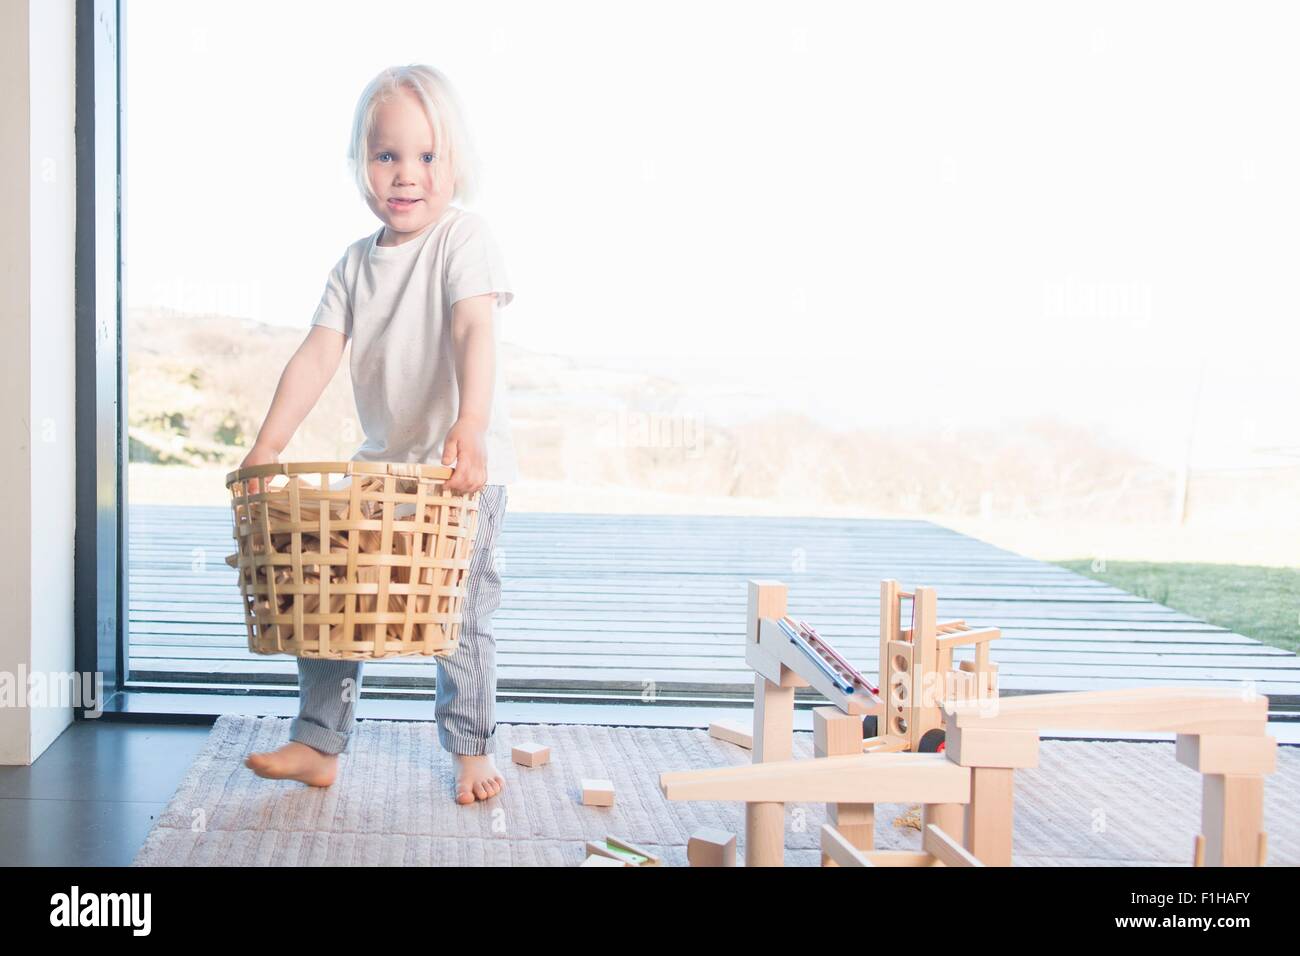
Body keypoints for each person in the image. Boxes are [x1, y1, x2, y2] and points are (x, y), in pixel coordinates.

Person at [239, 64, 518, 804]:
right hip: (384, 471)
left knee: (458, 609)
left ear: (456, 164)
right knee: (332, 587)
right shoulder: (352, 265)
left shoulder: (465, 238)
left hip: (461, 467)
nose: (406, 175)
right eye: (386, 155)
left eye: (427, 157)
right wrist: (269, 444)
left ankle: (469, 745)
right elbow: (317, 353)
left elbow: (473, 327)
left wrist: (473, 421)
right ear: (362, 164)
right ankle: (318, 742)